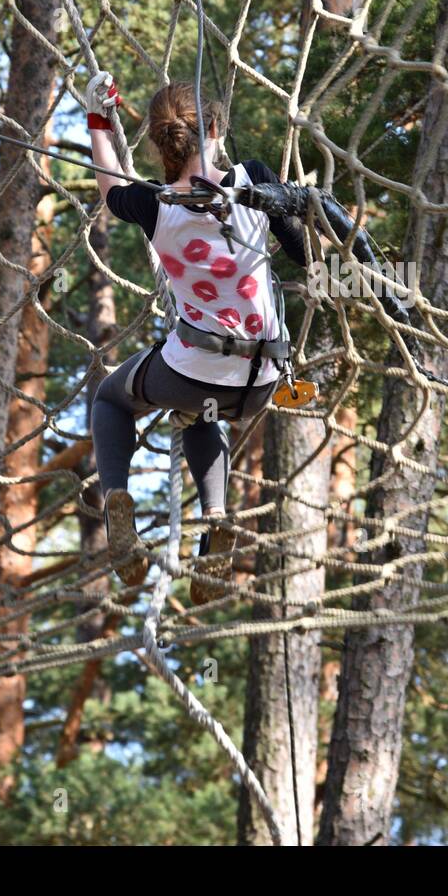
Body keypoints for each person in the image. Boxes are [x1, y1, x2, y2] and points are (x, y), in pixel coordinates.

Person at [85, 72, 308, 603]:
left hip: (193, 370)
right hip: (263, 377)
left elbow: (110, 184)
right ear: (215, 129)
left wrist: (97, 118)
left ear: (163, 141)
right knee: (201, 412)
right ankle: (215, 516)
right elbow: (303, 254)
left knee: (110, 400)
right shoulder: (252, 180)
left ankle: (118, 492)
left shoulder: (151, 205)